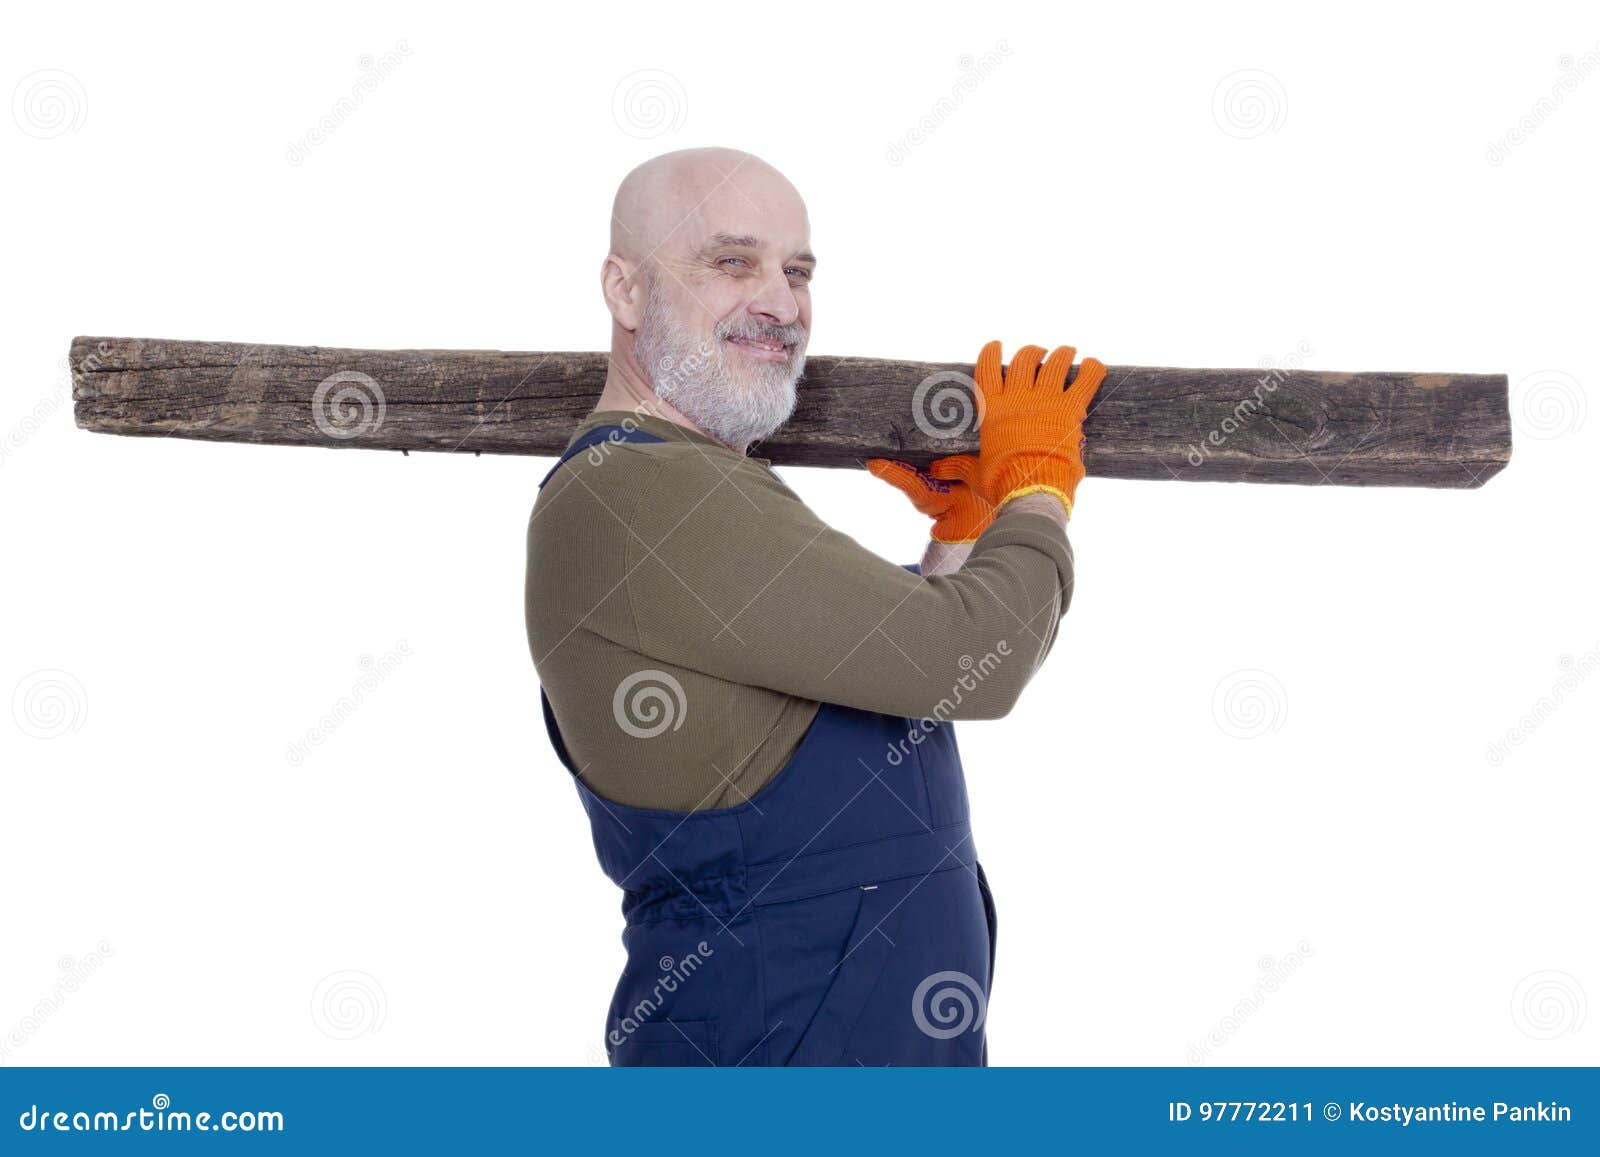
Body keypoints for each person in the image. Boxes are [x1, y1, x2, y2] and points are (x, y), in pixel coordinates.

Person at [525, 147, 1103, 1066]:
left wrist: (968, 529)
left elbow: (881, 686)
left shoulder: (693, 486)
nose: (783, 304)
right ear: (625, 292)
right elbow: (968, 659)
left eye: (798, 270)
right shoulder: (635, 492)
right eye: (733, 262)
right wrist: (1037, 490)